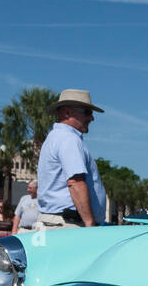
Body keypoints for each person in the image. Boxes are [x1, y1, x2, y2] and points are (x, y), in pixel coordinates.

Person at [36, 89, 105, 229]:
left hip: (56, 222)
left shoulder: (55, 137)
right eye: (87, 112)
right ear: (67, 112)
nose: (92, 118)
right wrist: (89, 224)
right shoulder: (69, 139)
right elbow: (75, 183)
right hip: (68, 224)